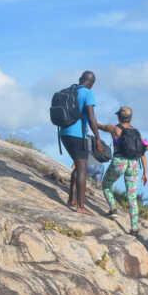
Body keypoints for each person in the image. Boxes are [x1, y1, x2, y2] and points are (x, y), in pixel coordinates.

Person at [59, 71, 114, 216]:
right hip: (77, 135)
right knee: (82, 168)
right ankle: (81, 206)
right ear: (92, 83)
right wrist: (97, 138)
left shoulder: (71, 90)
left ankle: (72, 199)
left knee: (78, 165)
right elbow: (91, 117)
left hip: (64, 134)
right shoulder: (87, 93)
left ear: (80, 79)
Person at [106, 106, 148, 234]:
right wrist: (146, 172)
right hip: (134, 164)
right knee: (132, 197)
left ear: (119, 116)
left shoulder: (115, 129)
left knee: (106, 185)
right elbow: (143, 152)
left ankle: (113, 209)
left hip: (120, 161)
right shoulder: (137, 132)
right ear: (130, 118)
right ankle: (134, 227)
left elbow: (100, 126)